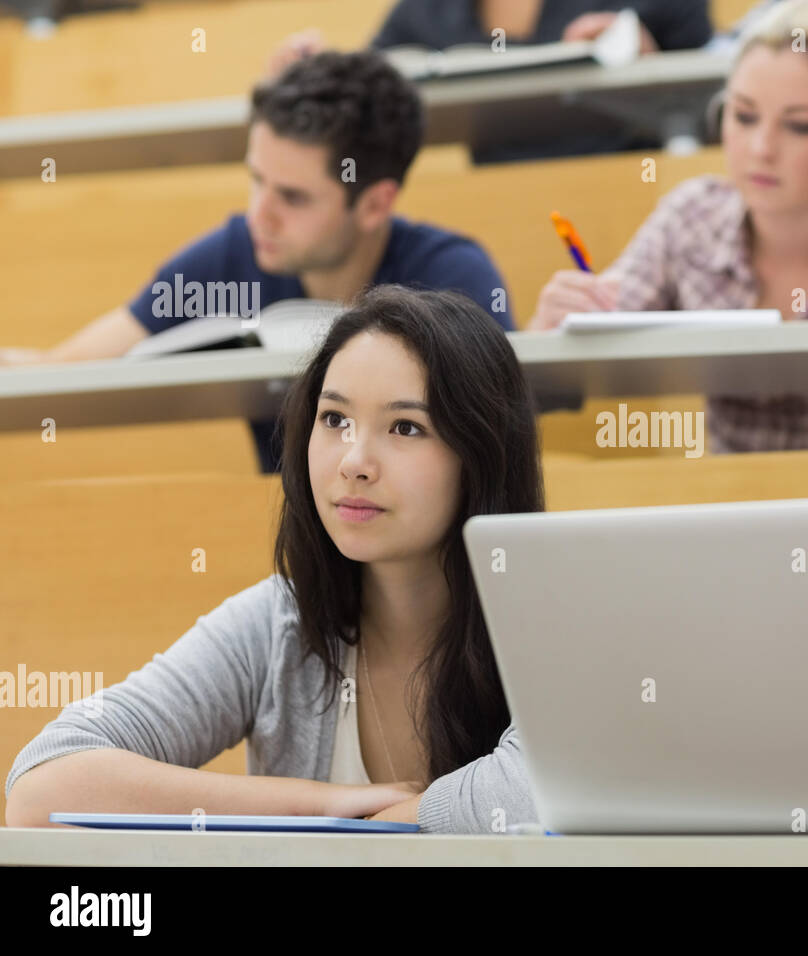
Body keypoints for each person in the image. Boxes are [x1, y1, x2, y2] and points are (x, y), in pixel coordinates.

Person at [5, 286, 540, 833]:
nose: (354, 461)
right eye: (334, 419)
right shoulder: (276, 623)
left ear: (482, 455)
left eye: (405, 427)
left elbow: (548, 789)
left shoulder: (549, 619)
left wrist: (396, 820)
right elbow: (41, 789)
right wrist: (317, 806)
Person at [0, 51, 514, 474]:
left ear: (375, 204)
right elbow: (67, 369)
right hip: (296, 550)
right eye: (256, 180)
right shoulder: (232, 254)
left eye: (292, 197)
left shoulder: (452, 277)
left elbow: (505, 431)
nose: (259, 216)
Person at [530, 0, 808, 454]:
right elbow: (568, 369)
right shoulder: (693, 216)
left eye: (800, 126)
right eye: (744, 116)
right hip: (742, 500)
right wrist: (552, 325)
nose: (761, 148)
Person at [273, 1, 715, 163]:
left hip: (627, 193)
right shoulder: (425, 11)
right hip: (501, 203)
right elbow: (369, 84)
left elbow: (722, 100)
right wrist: (309, 74)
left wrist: (647, 65)